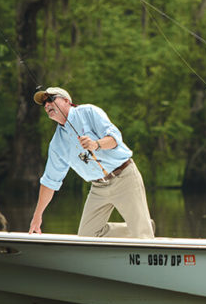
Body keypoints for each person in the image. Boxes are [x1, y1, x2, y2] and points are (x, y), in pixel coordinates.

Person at [29, 87, 154, 239]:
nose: (47, 105)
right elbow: (50, 181)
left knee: (142, 234)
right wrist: (37, 216)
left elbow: (115, 138)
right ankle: (139, 226)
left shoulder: (89, 112)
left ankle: (141, 227)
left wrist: (96, 144)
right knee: (87, 237)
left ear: (67, 101)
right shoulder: (56, 144)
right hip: (98, 187)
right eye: (44, 104)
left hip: (124, 176)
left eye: (51, 99)